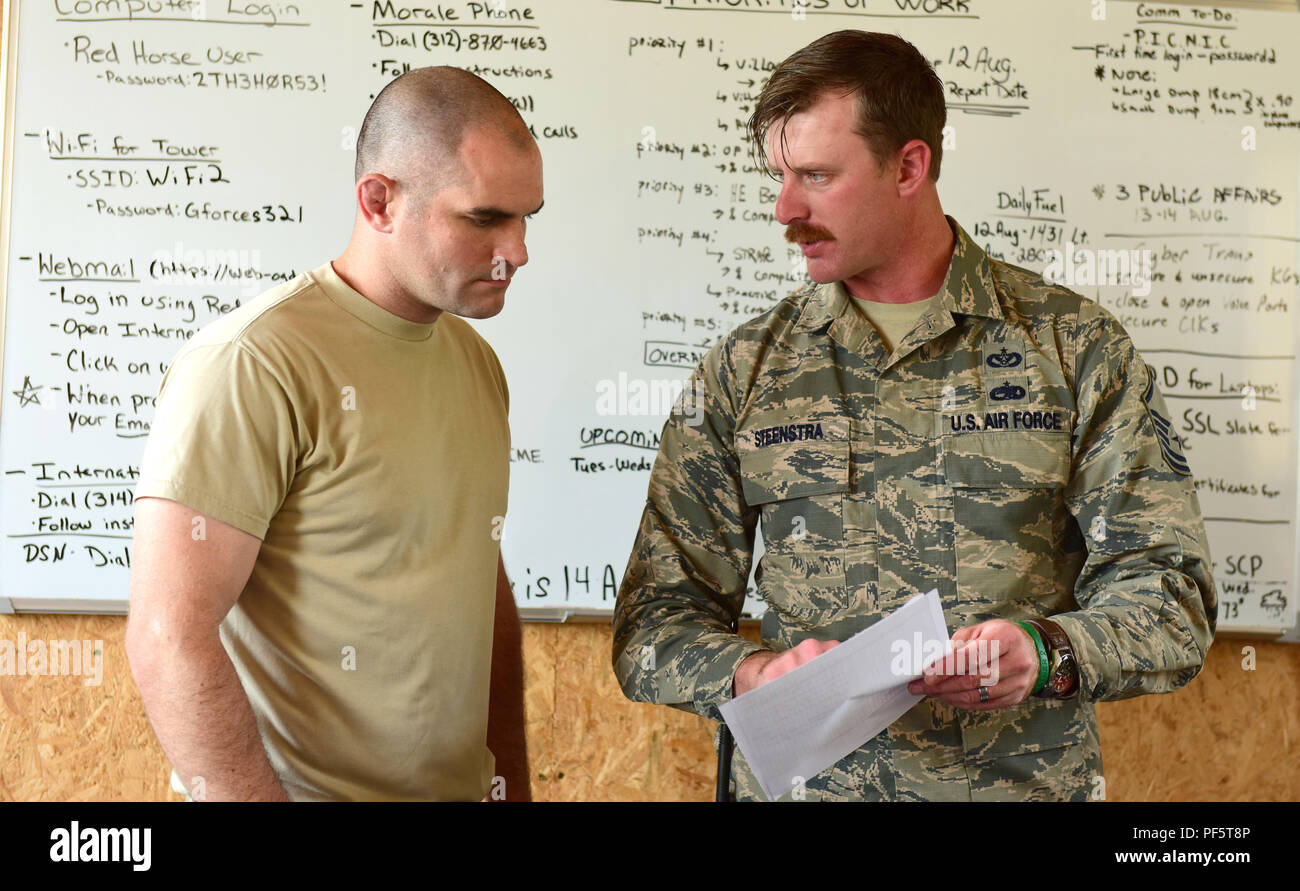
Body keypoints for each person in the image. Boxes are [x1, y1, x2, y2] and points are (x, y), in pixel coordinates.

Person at [612, 31, 1216, 801]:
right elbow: (653, 625)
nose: (784, 209)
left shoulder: (1074, 348)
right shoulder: (744, 370)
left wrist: (1047, 648)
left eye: (817, 176)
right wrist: (759, 670)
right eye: (781, 176)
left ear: (909, 166)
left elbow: (1171, 593)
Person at [126, 67, 543, 801]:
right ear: (379, 201)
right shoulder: (253, 363)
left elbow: (479, 581)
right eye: (483, 219)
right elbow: (168, 638)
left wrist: (510, 783)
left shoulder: (478, 366)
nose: (517, 250)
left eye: (526, 217)